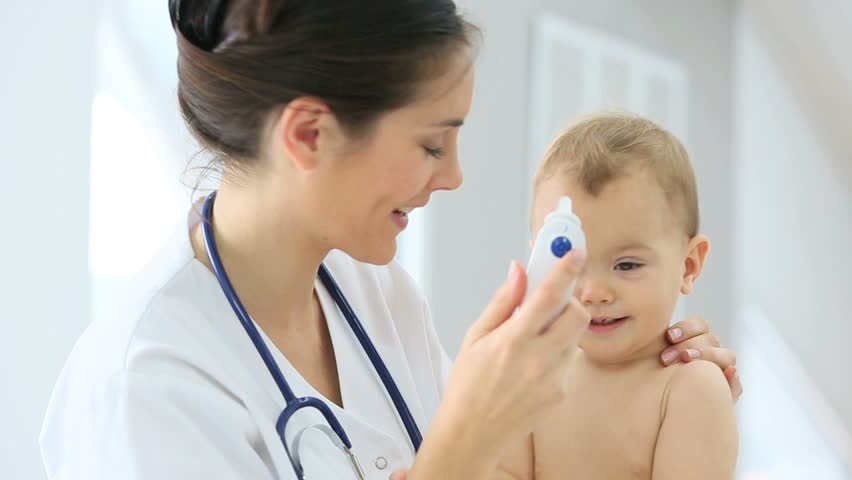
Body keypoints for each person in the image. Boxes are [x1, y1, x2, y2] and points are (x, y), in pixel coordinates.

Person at [40, 2, 740, 479]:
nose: (456, 178)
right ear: (309, 134)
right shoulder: (145, 391)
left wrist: (644, 379)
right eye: (433, 144)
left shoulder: (376, 297)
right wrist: (458, 453)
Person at [496, 112, 738, 480]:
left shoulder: (691, 389)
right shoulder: (533, 377)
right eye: (571, 264)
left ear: (688, 266)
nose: (594, 293)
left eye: (626, 265)